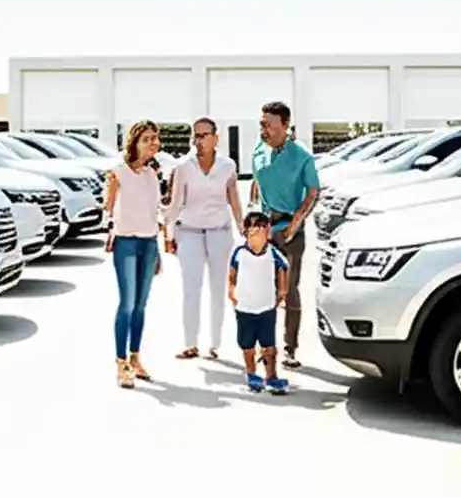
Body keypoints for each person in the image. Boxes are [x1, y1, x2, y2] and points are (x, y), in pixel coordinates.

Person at [163, 117, 243, 360]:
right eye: (195, 136)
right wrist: (168, 233)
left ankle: (215, 344)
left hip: (220, 231)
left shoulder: (227, 166)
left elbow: (234, 198)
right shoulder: (183, 166)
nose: (198, 141)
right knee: (191, 288)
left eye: (203, 135)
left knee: (219, 289)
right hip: (189, 231)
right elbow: (175, 202)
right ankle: (190, 343)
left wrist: (243, 229)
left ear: (215, 137)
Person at [249, 101, 319, 369]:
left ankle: (290, 349)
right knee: (261, 291)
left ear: (285, 126)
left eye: (269, 124)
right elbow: (256, 182)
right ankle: (265, 346)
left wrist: (295, 225)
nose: (264, 129)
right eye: (262, 123)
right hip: (264, 229)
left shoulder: (302, 156)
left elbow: (313, 192)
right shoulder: (259, 149)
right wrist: (254, 215)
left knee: (288, 290)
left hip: (290, 229)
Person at [103, 120, 164, 389]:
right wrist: (110, 230)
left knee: (141, 305)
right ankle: (120, 363)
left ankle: (135, 357)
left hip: (148, 243)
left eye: (155, 138)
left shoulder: (152, 174)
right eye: (147, 138)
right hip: (126, 243)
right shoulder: (118, 173)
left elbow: (155, 211)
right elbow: (108, 208)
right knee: (127, 304)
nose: (153, 143)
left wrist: (159, 248)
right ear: (134, 143)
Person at [228, 211, 289, 394]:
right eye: (255, 226)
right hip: (245, 307)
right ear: (246, 231)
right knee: (247, 345)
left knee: (269, 345)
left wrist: (283, 290)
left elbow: (283, 267)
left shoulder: (273, 253)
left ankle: (271, 376)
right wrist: (231, 292)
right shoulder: (239, 253)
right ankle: (252, 374)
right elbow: (232, 274)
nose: (259, 230)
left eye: (263, 226)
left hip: (266, 307)